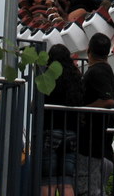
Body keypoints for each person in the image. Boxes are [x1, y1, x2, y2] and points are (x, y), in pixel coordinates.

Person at [76, 34, 114, 196]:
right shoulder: (105, 70)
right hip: (100, 147)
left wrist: (84, 109)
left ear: (89, 51)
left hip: (92, 148)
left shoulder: (97, 72)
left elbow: (108, 101)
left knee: (89, 190)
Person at [41, 44, 84, 196]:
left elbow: (39, 103)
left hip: (51, 130)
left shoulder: (47, 75)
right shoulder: (75, 77)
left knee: (48, 181)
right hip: (72, 132)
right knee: (66, 182)